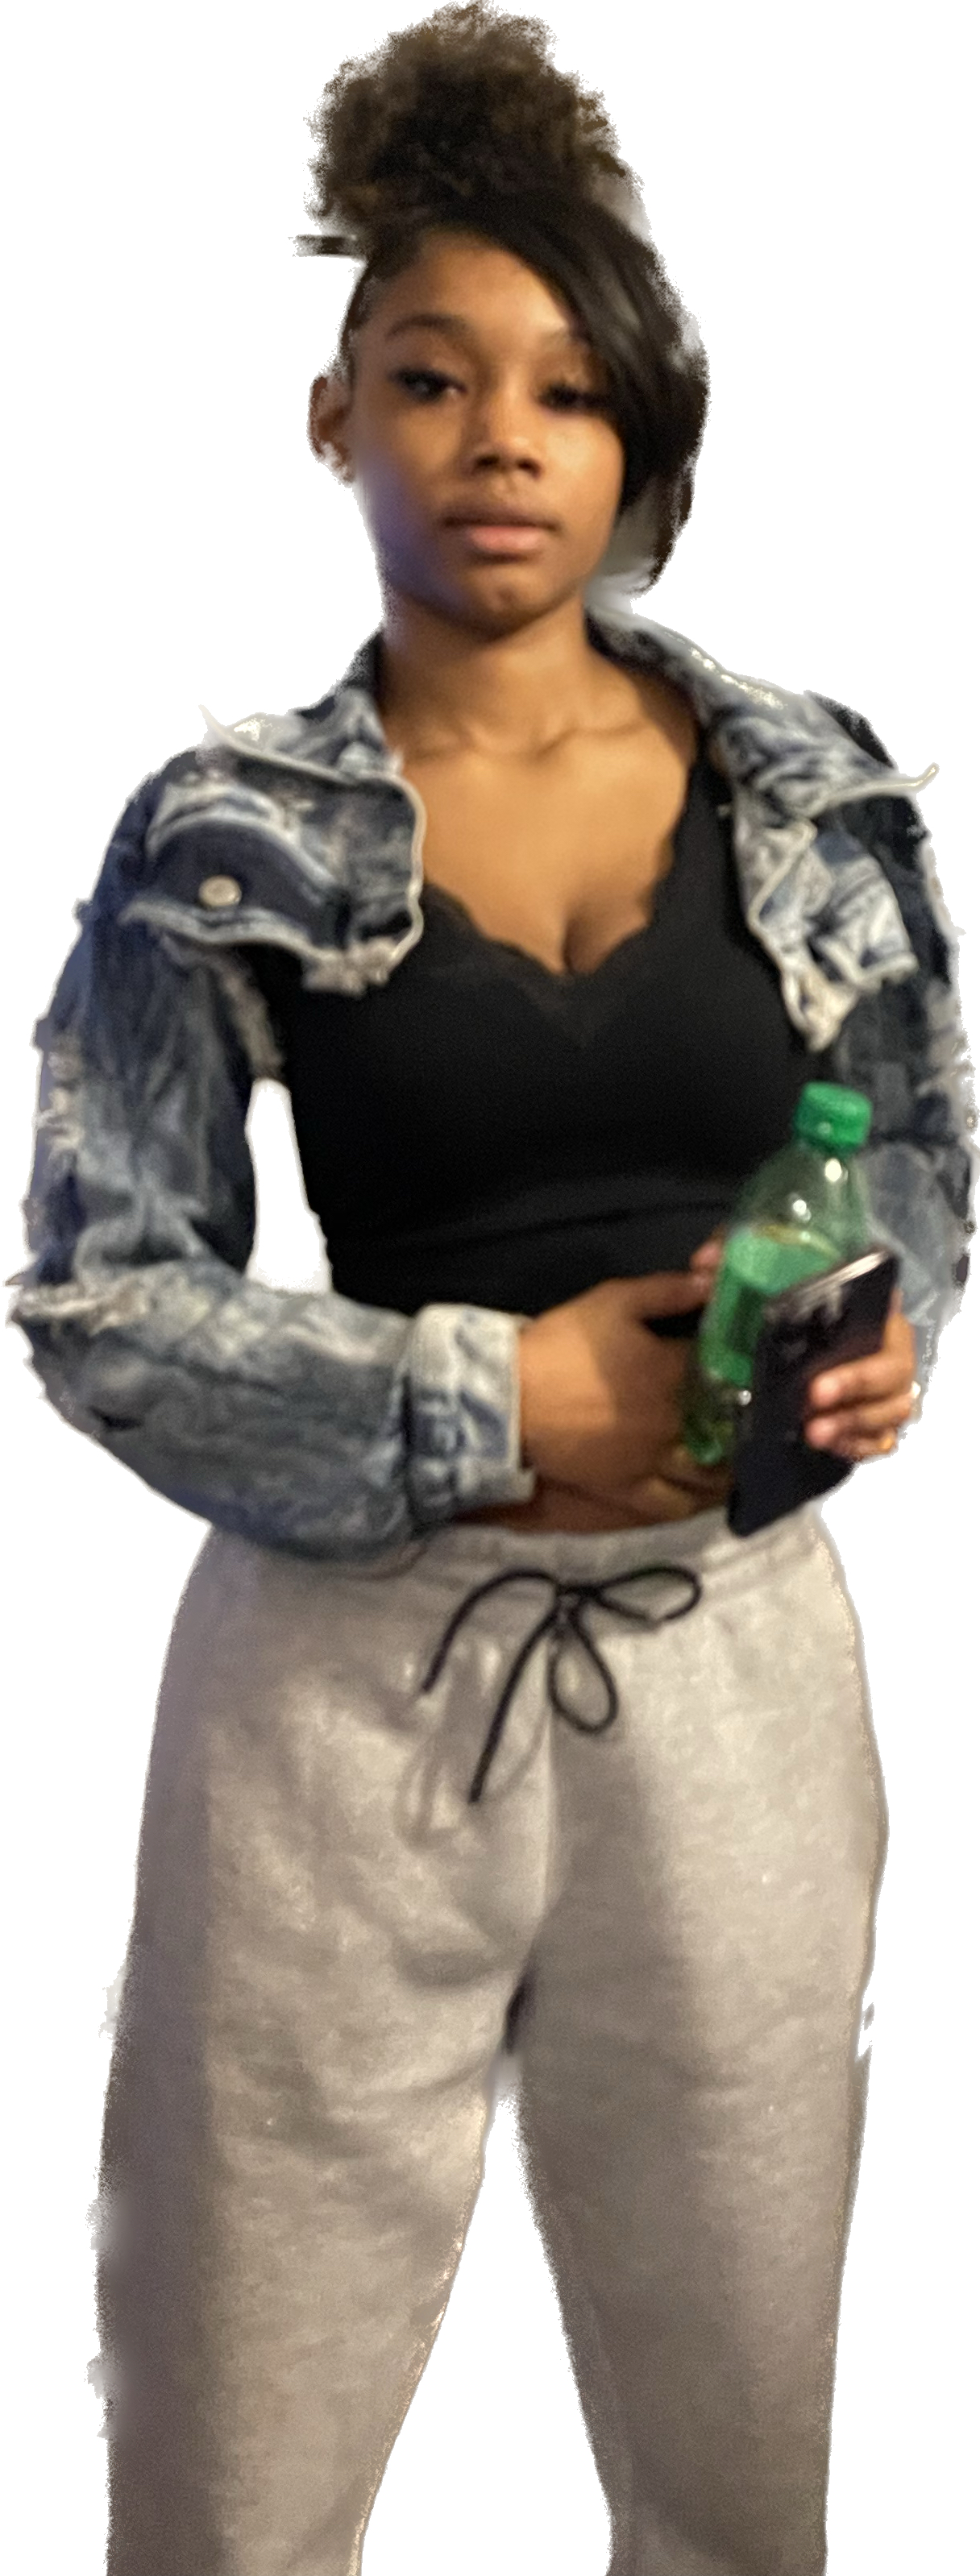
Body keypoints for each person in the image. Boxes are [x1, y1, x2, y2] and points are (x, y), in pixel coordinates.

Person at [9, 6, 977, 2572]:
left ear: (642, 430)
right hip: (341, 1701)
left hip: (739, 1679)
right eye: (432, 378)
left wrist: (873, 1324)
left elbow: (921, 1155)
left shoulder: (819, 788)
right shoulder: (222, 834)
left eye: (564, 386)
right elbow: (104, 1297)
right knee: (234, 2473)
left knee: (739, 2471)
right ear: (332, 415)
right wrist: (495, 1395)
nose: (500, 439)